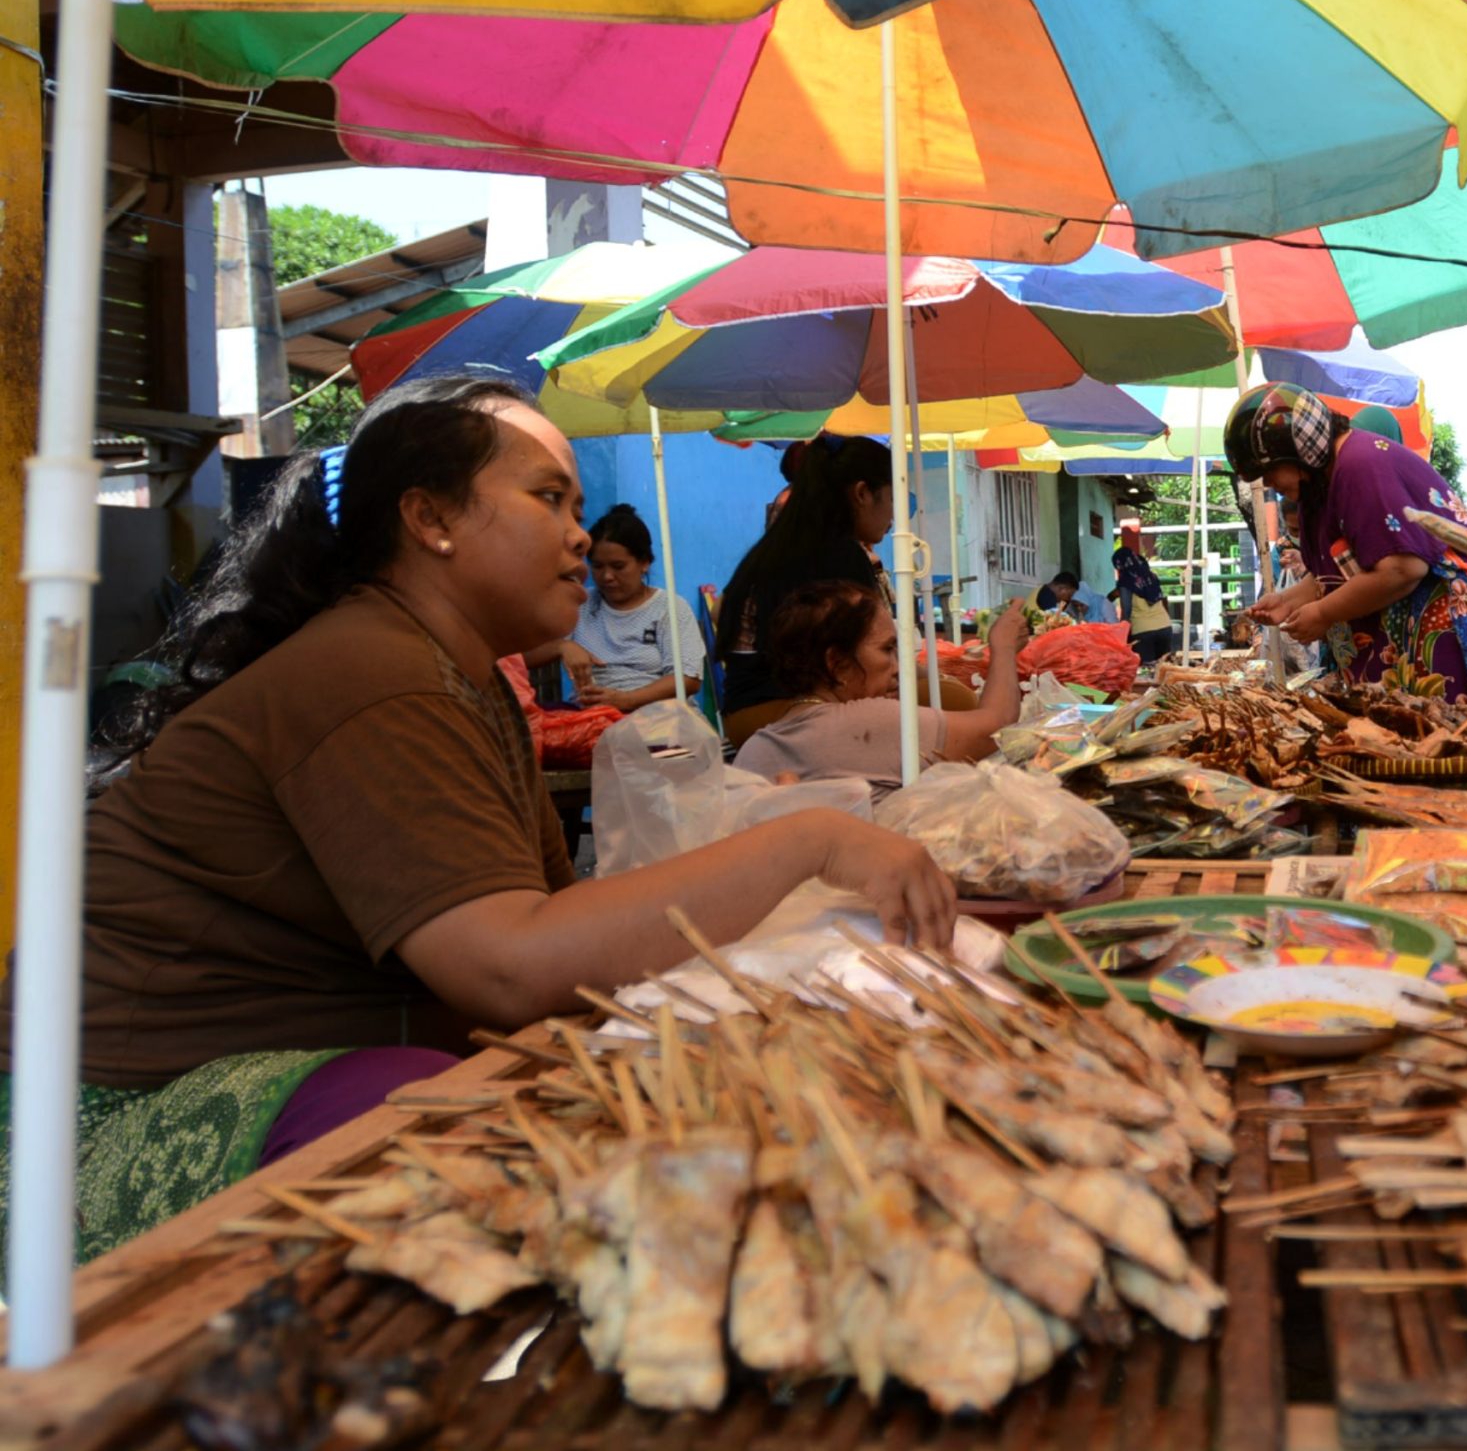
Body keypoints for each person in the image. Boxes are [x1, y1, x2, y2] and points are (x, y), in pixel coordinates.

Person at [0, 377, 954, 1258]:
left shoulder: (465, 682)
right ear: (430, 518)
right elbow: (511, 965)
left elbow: (562, 934)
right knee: (454, 1134)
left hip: (305, 1054)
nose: (582, 536)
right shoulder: (371, 669)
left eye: (580, 507)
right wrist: (810, 839)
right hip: (102, 1112)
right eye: (549, 499)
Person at [1232, 383, 1467, 697]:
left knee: (1456, 739)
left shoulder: (1359, 464)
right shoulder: (1319, 485)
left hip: (1452, 632)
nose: (1269, 483)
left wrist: (1324, 613)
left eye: (1269, 471)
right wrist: (1285, 602)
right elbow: (1333, 575)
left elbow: (1401, 569)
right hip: (1407, 644)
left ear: (1299, 449)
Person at [738, 588, 1031, 792]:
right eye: (887, 649)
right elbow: (996, 726)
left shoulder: (753, 749)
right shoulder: (866, 722)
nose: (899, 668)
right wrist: (1003, 646)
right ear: (837, 664)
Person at [716, 433, 894, 732]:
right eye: (893, 497)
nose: (894, 513)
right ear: (862, 493)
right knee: (954, 699)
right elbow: (865, 666)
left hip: (739, 719)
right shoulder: (843, 555)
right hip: (791, 714)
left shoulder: (768, 552)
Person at [545, 503, 707, 713]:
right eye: (597, 566)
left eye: (618, 566)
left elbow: (688, 679)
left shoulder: (669, 608)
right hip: (592, 719)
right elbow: (519, 656)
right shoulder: (579, 603)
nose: (607, 576)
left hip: (661, 720)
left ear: (644, 563)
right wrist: (561, 647)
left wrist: (626, 700)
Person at [1111, 517, 1178, 665]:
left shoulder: (1126, 582)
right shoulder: (1151, 577)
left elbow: (1126, 612)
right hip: (1164, 626)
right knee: (1165, 668)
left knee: (1147, 672)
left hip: (1143, 631)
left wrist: (1120, 635)